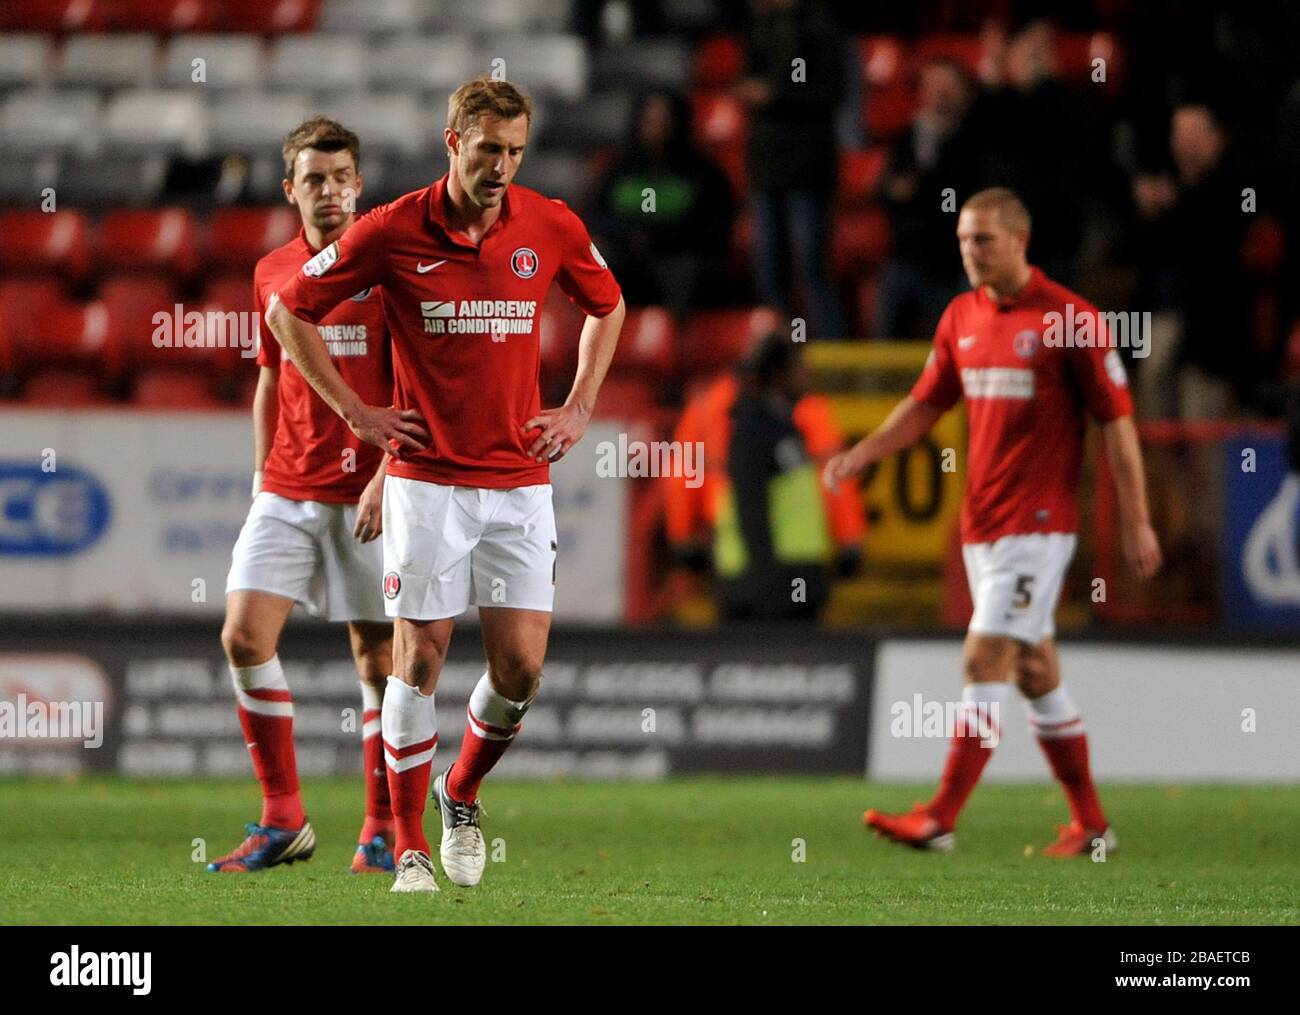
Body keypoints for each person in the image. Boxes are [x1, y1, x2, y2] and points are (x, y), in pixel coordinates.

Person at [266, 77, 625, 893]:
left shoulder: (552, 224)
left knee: (522, 668)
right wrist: (358, 410)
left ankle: (459, 790)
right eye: (487, 149)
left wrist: (577, 405)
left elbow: (609, 304)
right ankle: (408, 845)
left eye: (514, 151)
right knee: (416, 658)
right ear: (452, 141)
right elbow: (290, 312)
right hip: (426, 482)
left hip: (519, 481)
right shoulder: (393, 229)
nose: (501, 167)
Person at [824, 188, 1162, 856]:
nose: (970, 252)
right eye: (962, 241)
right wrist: (865, 451)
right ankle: (1093, 826)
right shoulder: (960, 317)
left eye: (983, 239)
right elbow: (926, 404)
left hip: (1039, 526)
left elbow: (1116, 425)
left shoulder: (1072, 320)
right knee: (1034, 669)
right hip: (982, 525)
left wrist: (1137, 521)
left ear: (1020, 238)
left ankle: (940, 816)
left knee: (984, 655)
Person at [212, 118, 396, 874]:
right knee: (242, 637)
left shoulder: (390, 270)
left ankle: (382, 828)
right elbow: (268, 378)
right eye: (314, 179)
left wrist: (391, 473)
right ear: (292, 191)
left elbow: (422, 383)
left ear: (360, 183)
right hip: (287, 486)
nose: (330, 190)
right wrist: (260, 476)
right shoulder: (271, 271)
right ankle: (283, 817)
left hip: (371, 489)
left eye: (342, 176)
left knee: (379, 661)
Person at [665, 331, 865, 621]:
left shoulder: (709, 407)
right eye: (799, 366)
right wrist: (849, 541)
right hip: (774, 576)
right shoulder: (800, 414)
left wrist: (683, 542)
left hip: (738, 565)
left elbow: (682, 478)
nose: (806, 374)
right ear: (779, 371)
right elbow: (835, 478)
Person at [590, 90, 735, 318]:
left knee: (687, 271)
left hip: (681, 263)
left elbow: (716, 231)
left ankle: (679, 345)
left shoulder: (706, 174)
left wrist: (666, 237)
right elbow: (595, 220)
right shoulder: (616, 172)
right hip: (628, 261)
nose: (657, 128)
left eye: (664, 122)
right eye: (650, 121)